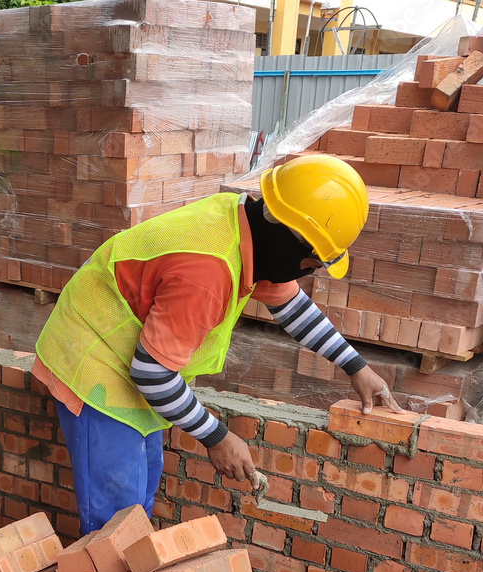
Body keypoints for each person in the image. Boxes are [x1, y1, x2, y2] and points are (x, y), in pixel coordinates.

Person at [33, 153, 402, 534]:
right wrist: (217, 437)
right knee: (114, 518)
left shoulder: (251, 226)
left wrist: (356, 367)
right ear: (291, 242)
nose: (308, 273)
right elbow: (152, 374)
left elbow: (293, 307)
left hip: (134, 359)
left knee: (138, 501)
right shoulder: (207, 272)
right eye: (312, 263)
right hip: (94, 359)